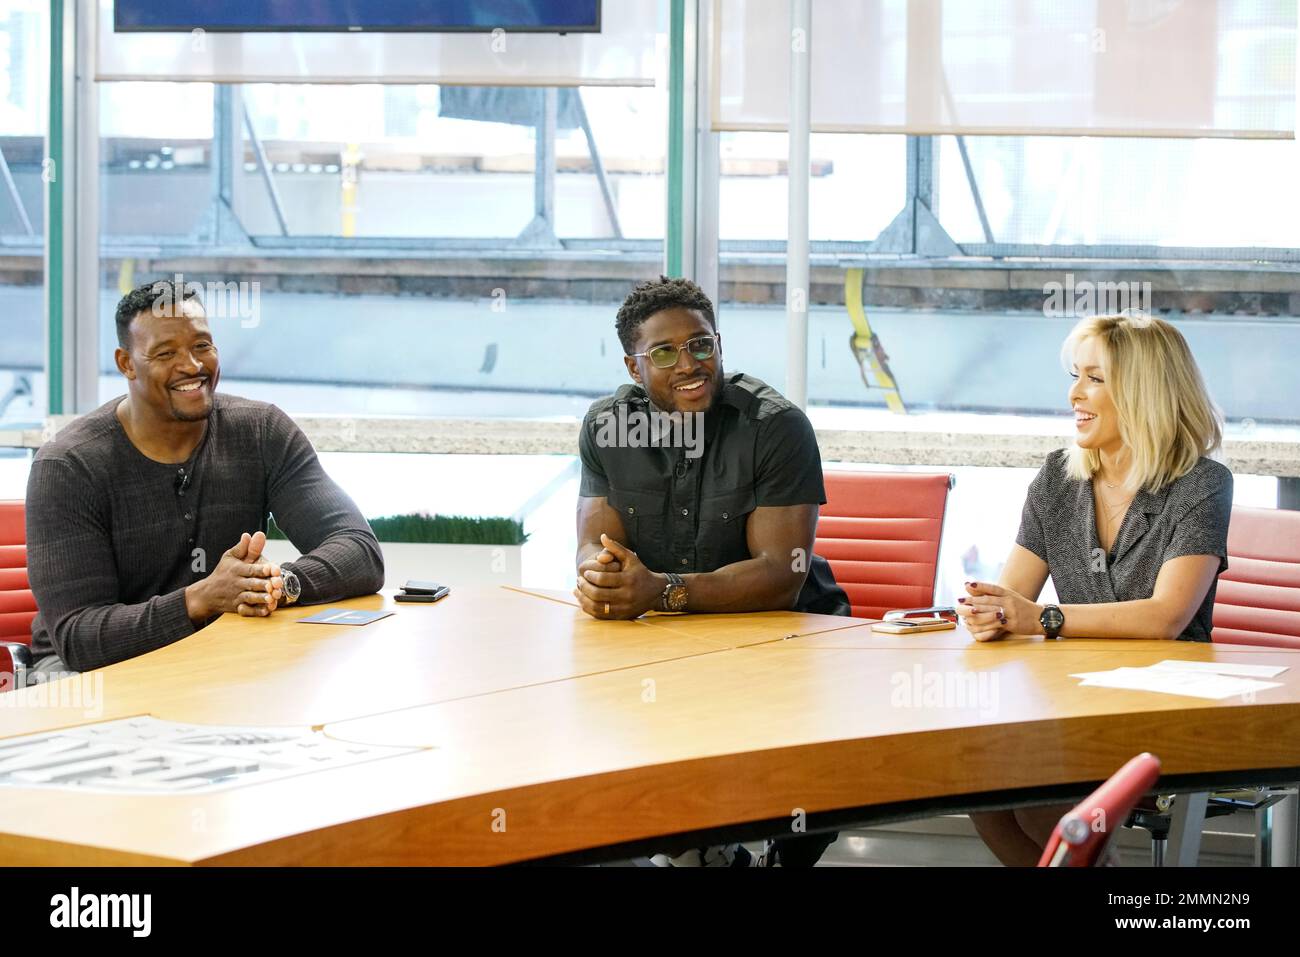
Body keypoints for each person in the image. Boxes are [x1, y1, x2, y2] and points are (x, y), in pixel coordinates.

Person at [575, 275, 849, 865]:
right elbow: (594, 545)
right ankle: (703, 852)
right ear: (633, 364)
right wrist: (601, 577)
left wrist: (659, 591)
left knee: (809, 766)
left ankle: (773, 858)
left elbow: (780, 576)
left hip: (786, 637)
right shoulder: (606, 427)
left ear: (719, 345)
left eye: (701, 344)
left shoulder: (774, 426)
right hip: (668, 642)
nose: (688, 363)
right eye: (665, 352)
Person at [958, 313, 1232, 865]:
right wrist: (989, 614)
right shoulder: (1058, 477)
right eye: (1074, 375)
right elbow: (1013, 598)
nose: (1074, 393)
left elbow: (1165, 619)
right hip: (1070, 699)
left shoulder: (1202, 484)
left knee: (1042, 794)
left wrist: (1042, 619)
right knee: (977, 781)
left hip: (1167, 703)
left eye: (1095, 379)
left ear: (1143, 393)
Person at [24, 279, 385, 682]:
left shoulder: (261, 432)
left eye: (202, 346)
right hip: (88, 674)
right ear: (126, 363)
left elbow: (360, 552)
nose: (192, 366)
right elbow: (80, 639)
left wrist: (275, 585)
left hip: (217, 654)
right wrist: (202, 599)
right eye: (166, 353)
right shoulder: (68, 465)